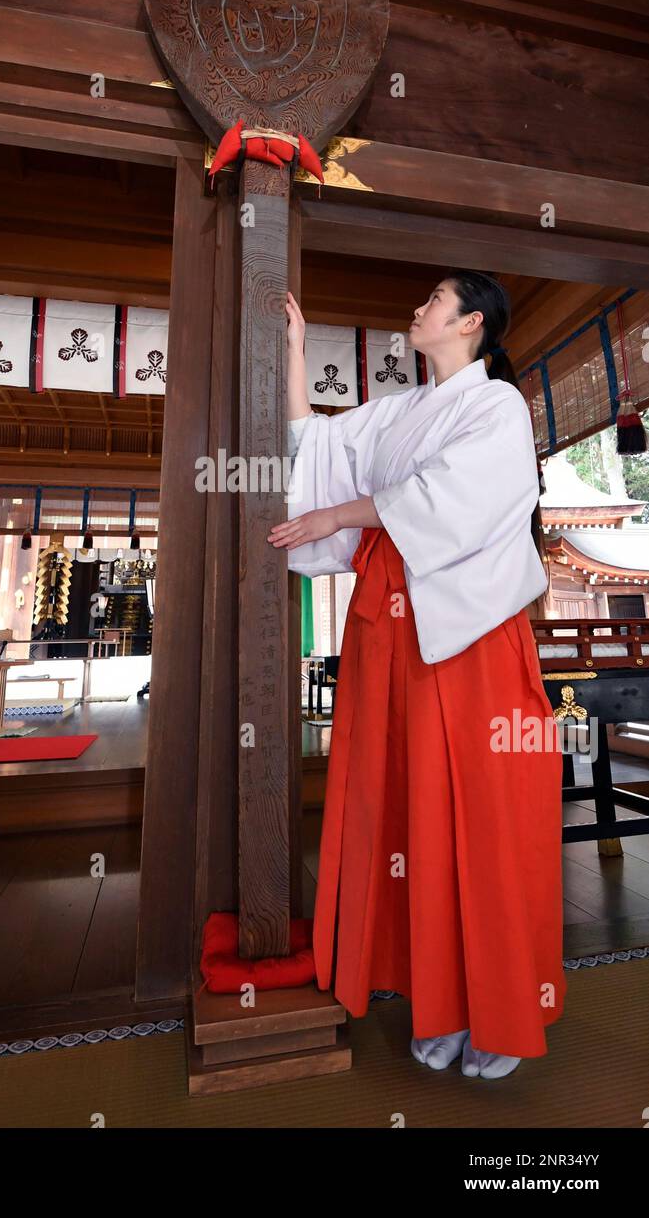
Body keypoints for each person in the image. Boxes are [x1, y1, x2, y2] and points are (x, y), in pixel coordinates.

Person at [267, 270, 566, 1080]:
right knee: (404, 816)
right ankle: (440, 1000)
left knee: (482, 819)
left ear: (470, 322)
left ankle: (497, 1012)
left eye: (435, 299)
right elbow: (320, 445)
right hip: (389, 630)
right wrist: (294, 352)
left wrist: (340, 515)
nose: (418, 308)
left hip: (464, 636)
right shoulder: (401, 409)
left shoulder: (495, 405)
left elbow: (447, 497)